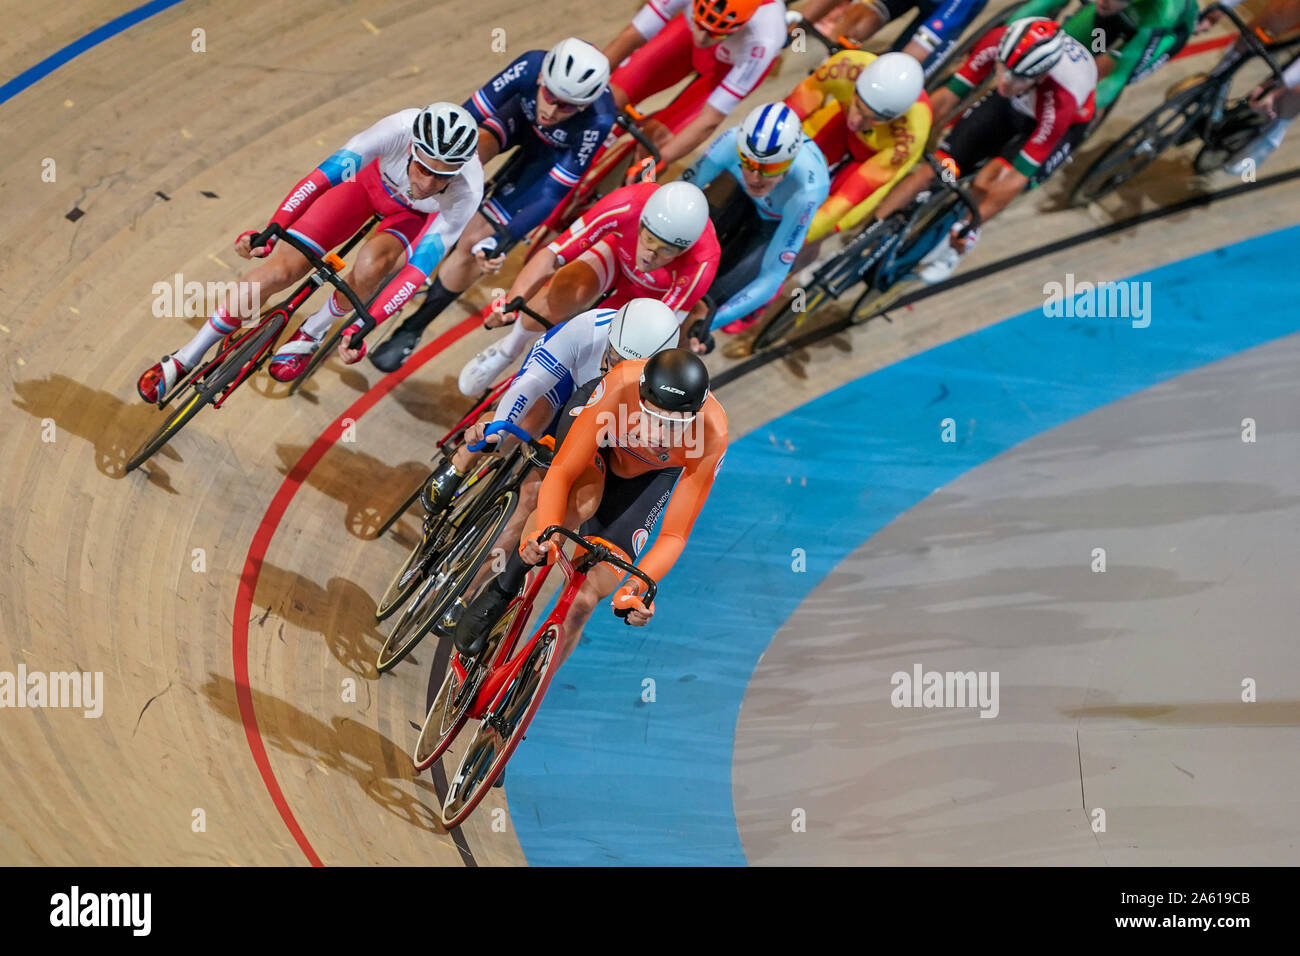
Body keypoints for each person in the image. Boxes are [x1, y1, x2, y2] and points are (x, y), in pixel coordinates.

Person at [136, 103, 482, 399]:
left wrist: (363, 326)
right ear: (412, 148)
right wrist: (274, 228)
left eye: (441, 177)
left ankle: (313, 331)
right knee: (278, 272)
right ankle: (187, 357)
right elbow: (321, 178)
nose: (427, 184)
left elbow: (415, 273)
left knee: (371, 266)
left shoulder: (467, 191)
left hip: (409, 218)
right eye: (423, 168)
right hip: (365, 186)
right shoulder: (397, 129)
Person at [423, 299, 682, 638]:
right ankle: (462, 461)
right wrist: (501, 427)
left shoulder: (662, 389)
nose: (615, 369)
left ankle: (470, 588)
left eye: (628, 367)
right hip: (567, 386)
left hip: (603, 423)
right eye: (614, 357)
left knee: (535, 497)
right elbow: (530, 384)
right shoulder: (587, 331)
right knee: (521, 424)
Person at [450, 349, 728, 663]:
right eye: (655, 419)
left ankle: (523, 700)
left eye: (676, 426)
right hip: (601, 448)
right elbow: (563, 471)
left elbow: (674, 536)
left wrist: (637, 587)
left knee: (583, 603)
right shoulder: (622, 384)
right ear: (640, 399)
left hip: (648, 480)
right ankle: (504, 585)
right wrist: (545, 533)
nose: (661, 436)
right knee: (576, 507)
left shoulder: (712, 434)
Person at [365, 39, 618, 372]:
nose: (552, 111)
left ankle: (413, 326)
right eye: (551, 97)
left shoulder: (599, 120)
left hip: (549, 161)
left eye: (567, 107)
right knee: (463, 156)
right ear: (541, 79)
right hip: (514, 121)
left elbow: (552, 193)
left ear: (583, 107)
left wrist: (503, 237)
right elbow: (464, 118)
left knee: (474, 245)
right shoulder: (530, 65)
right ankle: (408, 241)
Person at [871, 17, 1096, 282]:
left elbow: (1015, 178)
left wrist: (970, 223)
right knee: (936, 170)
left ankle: (955, 247)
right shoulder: (997, 42)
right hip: (1012, 105)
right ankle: (869, 237)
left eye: (1017, 77)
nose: (1004, 81)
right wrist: (899, 136)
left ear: (1042, 75)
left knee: (987, 182)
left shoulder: (1060, 100)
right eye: (1002, 68)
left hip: (1060, 125)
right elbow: (944, 99)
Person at [455, 180, 719, 395]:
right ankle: (509, 347)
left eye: (666, 251)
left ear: (684, 249)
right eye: (648, 239)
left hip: (651, 300)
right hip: (617, 256)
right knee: (567, 286)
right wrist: (512, 301)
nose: (650, 254)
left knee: (604, 356)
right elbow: (552, 255)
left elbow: (660, 333)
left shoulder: (703, 261)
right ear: (641, 222)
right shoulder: (626, 203)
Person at [779, 48, 929, 299]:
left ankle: (774, 283)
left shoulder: (911, 134)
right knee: (782, 155)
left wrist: (797, 235)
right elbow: (798, 104)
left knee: (814, 231)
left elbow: (846, 199)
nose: (859, 121)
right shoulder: (848, 66)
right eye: (860, 107)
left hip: (872, 161)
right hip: (839, 117)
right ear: (857, 86)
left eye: (873, 119)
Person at [679, 102, 830, 339]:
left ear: (789, 162)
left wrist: (710, 322)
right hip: (738, 194)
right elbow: (680, 190)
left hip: (773, 224)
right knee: (679, 236)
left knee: (707, 303)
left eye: (770, 168)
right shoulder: (731, 141)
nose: (756, 177)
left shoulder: (807, 191)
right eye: (747, 162)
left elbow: (772, 275)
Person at [601, 0, 790, 169]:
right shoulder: (700, 31)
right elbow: (631, 36)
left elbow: (710, 119)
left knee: (654, 148)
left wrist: (658, 162)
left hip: (728, 67)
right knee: (609, 95)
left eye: (716, 32)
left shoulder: (766, 36)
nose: (702, 39)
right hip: (685, 34)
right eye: (701, 24)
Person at [1009, 0, 1198, 112]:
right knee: (1070, 44)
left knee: (1103, 73)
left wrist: (1073, 113)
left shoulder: (1161, 14)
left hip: (1161, 33)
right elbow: (1042, 3)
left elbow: (1117, 79)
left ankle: (1080, 130)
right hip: (1114, 17)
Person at [793, 0, 991, 77]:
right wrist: (795, 25)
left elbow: (918, 50)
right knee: (861, 17)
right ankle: (825, 68)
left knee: (901, 72)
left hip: (949, 9)